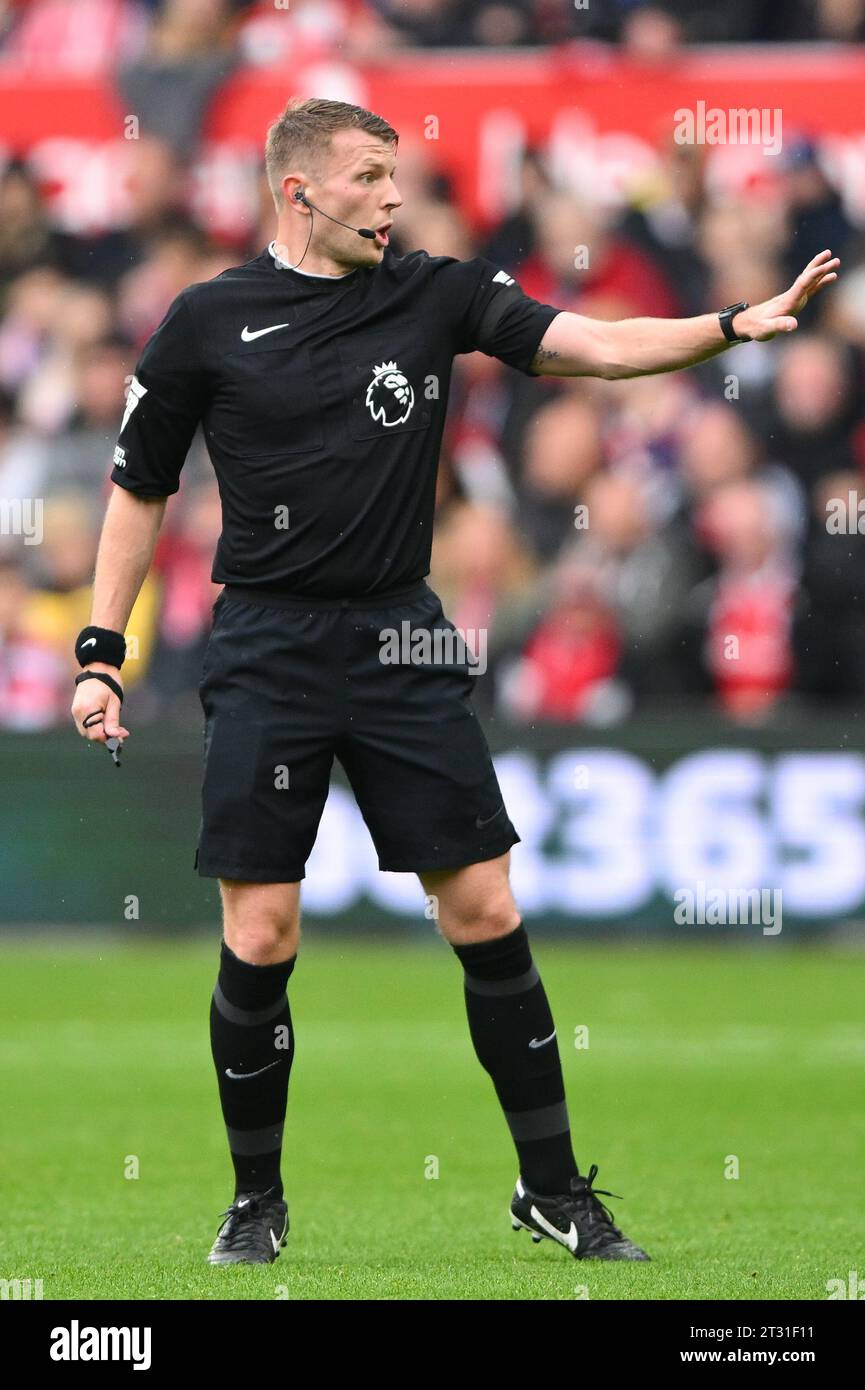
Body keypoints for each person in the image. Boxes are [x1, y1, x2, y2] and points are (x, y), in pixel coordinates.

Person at [70, 96, 839, 1267]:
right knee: (263, 931)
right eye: (370, 176)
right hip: (267, 645)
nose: (392, 194)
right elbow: (138, 487)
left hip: (400, 643)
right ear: (299, 192)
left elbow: (590, 342)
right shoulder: (206, 321)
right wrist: (100, 650)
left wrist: (731, 323)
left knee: (483, 909)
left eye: (397, 175)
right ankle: (254, 1202)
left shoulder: (431, 292)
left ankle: (551, 1189)